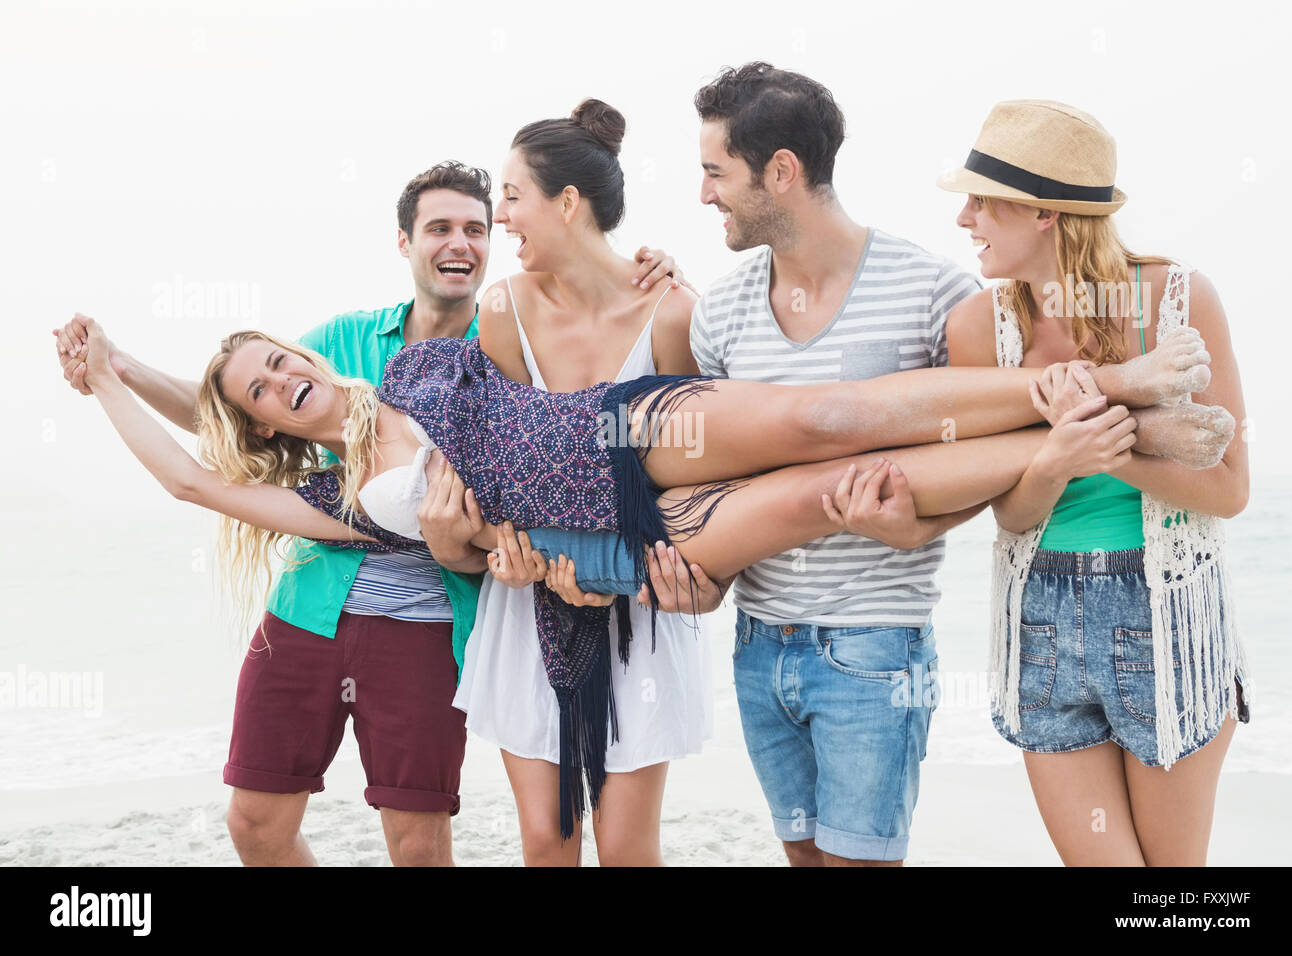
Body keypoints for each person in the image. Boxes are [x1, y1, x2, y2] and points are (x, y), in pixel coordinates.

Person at [70, 284, 1226, 841]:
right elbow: (191, 473)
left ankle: (1119, 389)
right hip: (618, 544)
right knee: (831, 492)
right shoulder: (333, 499)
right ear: (268, 423)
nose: (283, 378)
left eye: (277, 358)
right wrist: (108, 379)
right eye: (264, 391)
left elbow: (559, 319)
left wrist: (642, 294)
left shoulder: (410, 364)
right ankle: (1096, 438)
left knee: (836, 416)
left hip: (624, 434)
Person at [51, 161, 682, 867]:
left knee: (425, 841)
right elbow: (227, 417)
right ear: (405, 242)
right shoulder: (340, 349)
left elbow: (567, 418)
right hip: (313, 606)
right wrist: (115, 371)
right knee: (256, 824)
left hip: (437, 617)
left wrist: (643, 273)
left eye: (477, 228)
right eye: (439, 227)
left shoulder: (503, 340)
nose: (460, 242)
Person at [940, 99, 1251, 866]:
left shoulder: (1177, 300)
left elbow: (1232, 487)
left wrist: (1117, 455)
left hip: (1169, 616)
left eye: (982, 201)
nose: (965, 219)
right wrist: (1052, 464)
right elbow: (1009, 516)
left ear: (1045, 212)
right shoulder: (980, 330)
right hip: (1039, 620)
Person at [686, 61, 980, 867]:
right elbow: (718, 483)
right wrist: (706, 575)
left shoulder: (935, 293)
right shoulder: (719, 313)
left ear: (780, 172)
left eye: (715, 172)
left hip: (872, 648)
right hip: (757, 643)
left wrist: (917, 521)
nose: (704, 193)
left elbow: (987, 460)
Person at [451, 100, 715, 866]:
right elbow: (495, 467)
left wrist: (614, 576)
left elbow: (696, 475)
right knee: (546, 838)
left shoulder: (672, 314)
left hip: (639, 611)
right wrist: (507, 551)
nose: (499, 217)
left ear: (567, 203)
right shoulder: (503, 309)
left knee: (627, 848)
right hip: (527, 605)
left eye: (511, 196)